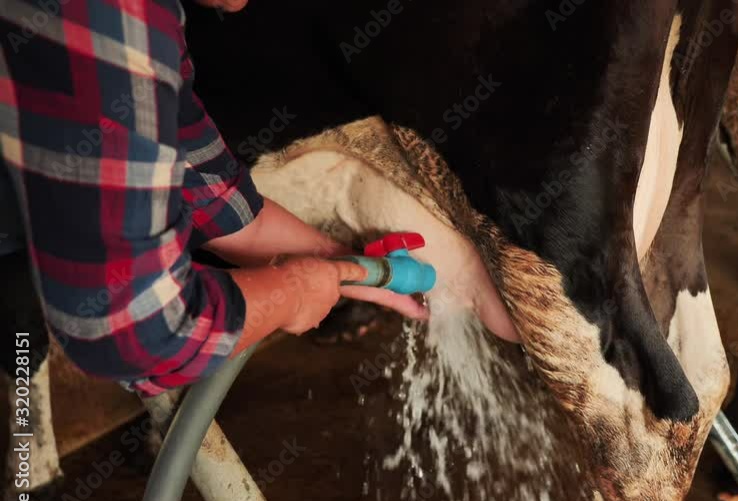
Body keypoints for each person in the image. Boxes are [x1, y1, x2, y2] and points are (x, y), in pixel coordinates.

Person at [0, 0, 426, 396]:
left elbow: (211, 196)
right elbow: (138, 332)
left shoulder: (154, 22)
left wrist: (344, 265)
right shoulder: (120, 15)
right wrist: (291, 294)